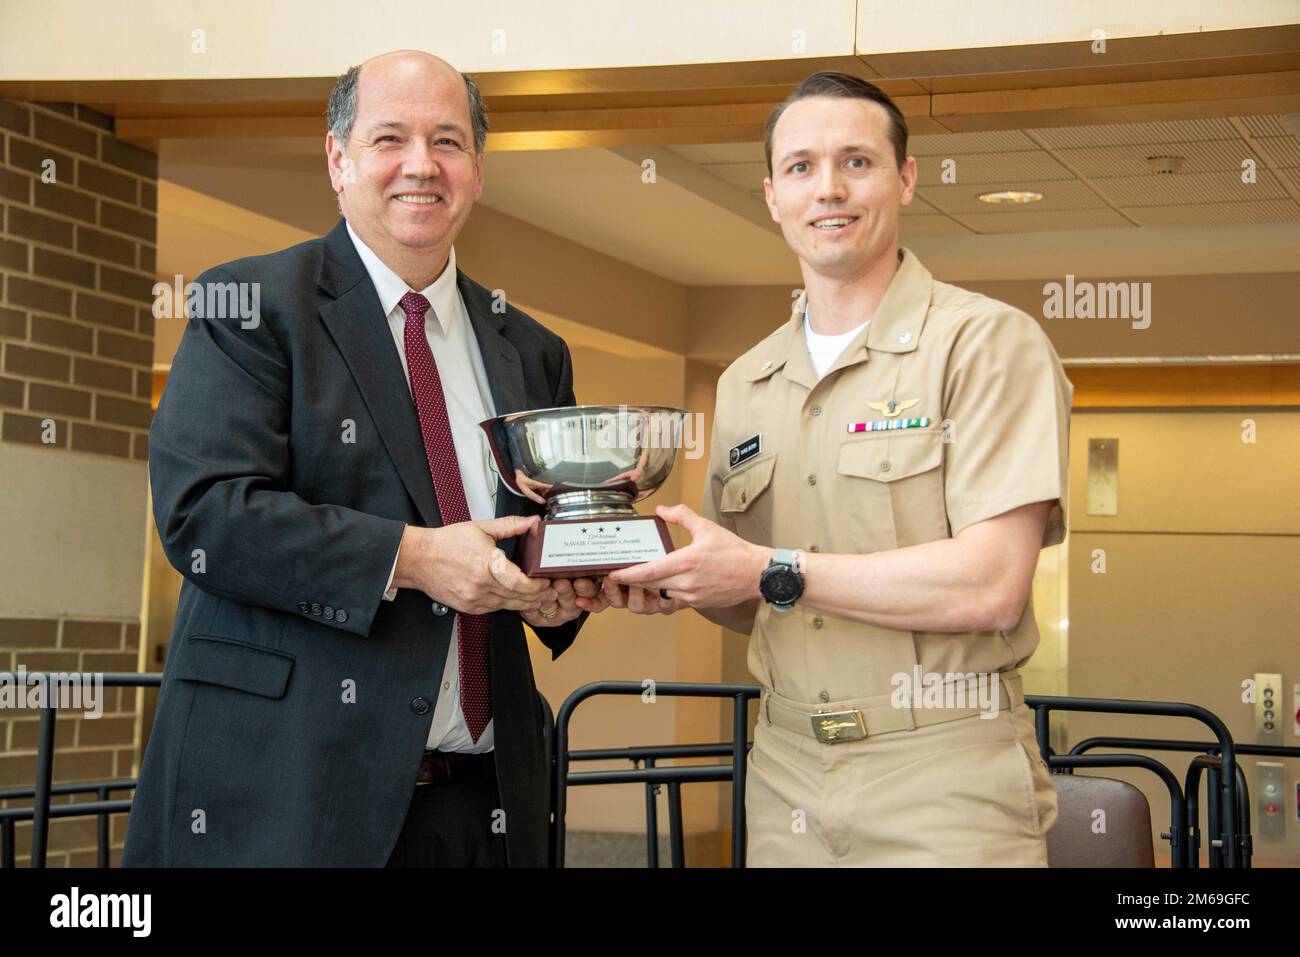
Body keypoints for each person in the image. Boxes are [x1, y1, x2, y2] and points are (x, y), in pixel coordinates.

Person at [124, 50, 608, 868]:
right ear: (338, 160)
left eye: (448, 141)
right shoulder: (251, 308)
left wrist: (558, 597)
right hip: (293, 804)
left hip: (487, 808)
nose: (422, 164)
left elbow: (542, 539)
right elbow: (206, 514)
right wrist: (414, 558)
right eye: (391, 138)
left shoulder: (532, 351)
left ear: (478, 170)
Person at [604, 72, 1071, 866]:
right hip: (783, 774)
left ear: (906, 178)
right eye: (801, 167)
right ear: (772, 195)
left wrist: (770, 568)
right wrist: (670, 580)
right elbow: (753, 595)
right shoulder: (745, 383)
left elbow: (991, 584)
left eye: (857, 161)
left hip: (943, 777)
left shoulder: (987, 343)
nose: (829, 188)